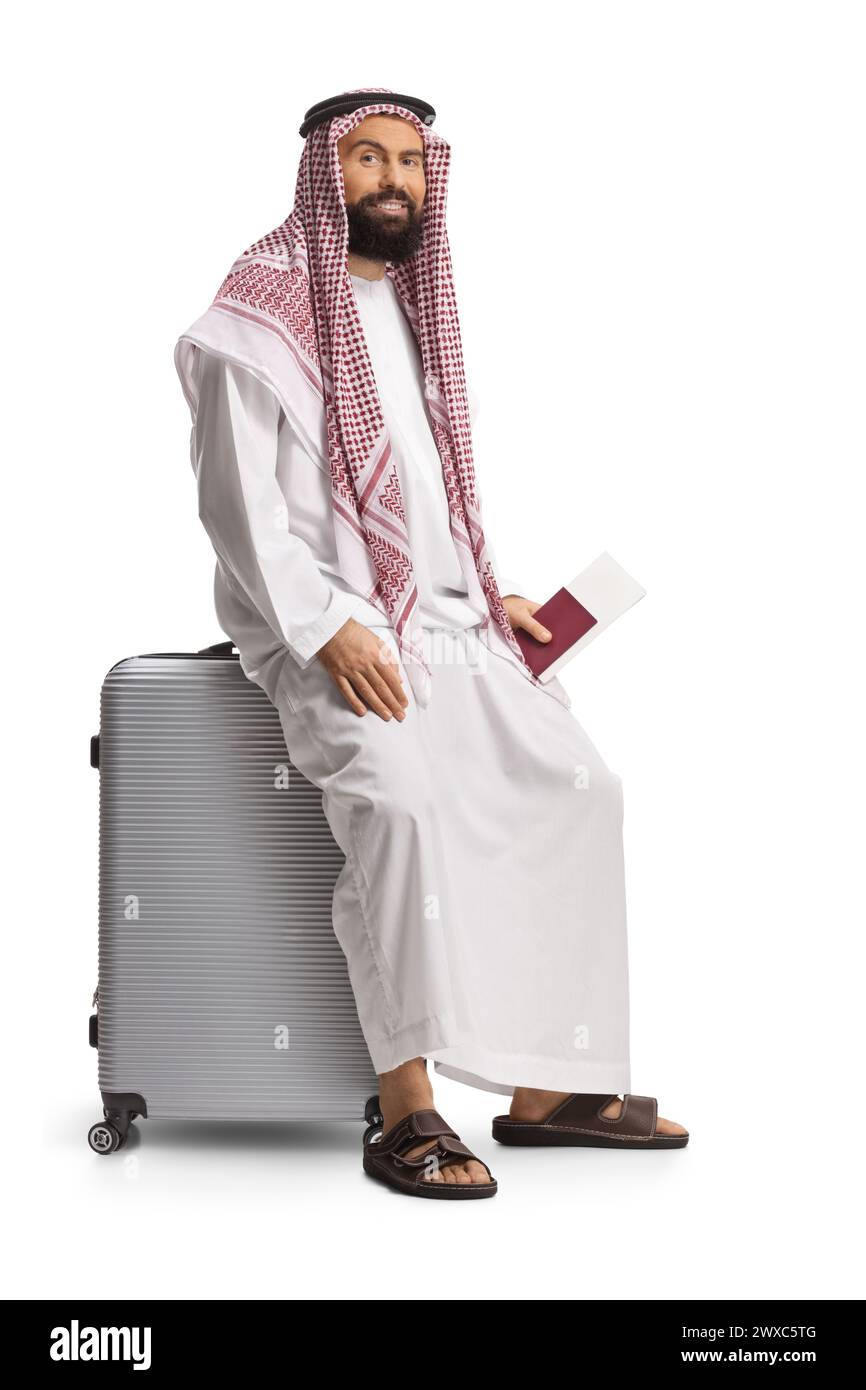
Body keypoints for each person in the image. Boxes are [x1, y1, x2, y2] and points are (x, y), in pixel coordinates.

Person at [175, 88, 688, 1200]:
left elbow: (419, 491)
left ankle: (550, 1088)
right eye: (368, 158)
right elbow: (236, 507)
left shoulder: (413, 309)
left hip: (443, 619)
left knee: (576, 786)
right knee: (401, 807)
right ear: (325, 172)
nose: (394, 180)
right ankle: (406, 1108)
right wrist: (326, 630)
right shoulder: (254, 315)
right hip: (324, 630)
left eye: (409, 161)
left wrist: (481, 589)